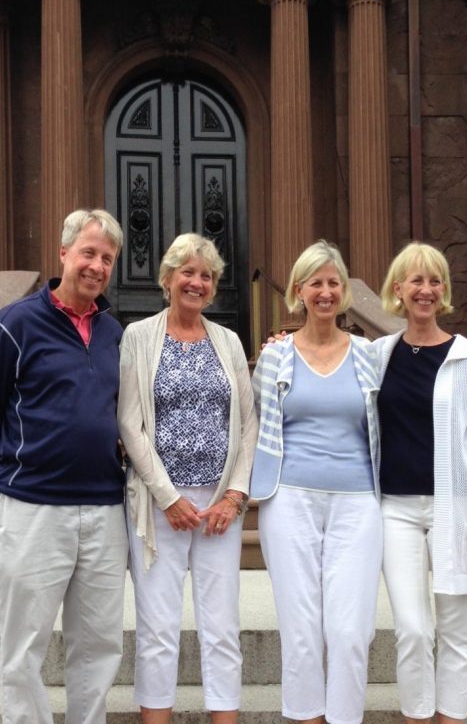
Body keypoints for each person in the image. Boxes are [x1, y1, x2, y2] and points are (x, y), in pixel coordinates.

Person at [0, 209, 127, 724]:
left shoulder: (115, 334)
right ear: (63, 254)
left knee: (99, 646)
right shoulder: (17, 322)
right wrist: (8, 477)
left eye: (106, 257)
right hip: (32, 510)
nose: (96, 265)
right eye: (88, 252)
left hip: (104, 510)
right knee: (23, 649)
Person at [117, 233, 257, 724]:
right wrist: (169, 497)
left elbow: (249, 423)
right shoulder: (137, 336)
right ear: (167, 279)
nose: (196, 282)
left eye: (206, 275)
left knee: (222, 625)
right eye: (188, 272)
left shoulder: (230, 341)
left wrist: (236, 495)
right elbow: (129, 425)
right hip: (159, 508)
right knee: (158, 627)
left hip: (220, 507)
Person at [249, 240, 383, 724]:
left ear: (343, 291)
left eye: (333, 283)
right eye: (315, 283)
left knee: (350, 630)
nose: (324, 292)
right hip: (290, 501)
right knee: (301, 629)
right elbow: (255, 424)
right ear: (299, 291)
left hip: (359, 501)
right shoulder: (276, 358)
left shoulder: (370, 355)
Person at [374, 241, 467, 724]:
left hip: (458, 509)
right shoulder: (377, 356)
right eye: (416, 280)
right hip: (397, 510)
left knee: (456, 631)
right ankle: (416, 715)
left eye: (435, 281)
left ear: (443, 292)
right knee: (412, 628)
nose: (426, 290)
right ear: (398, 289)